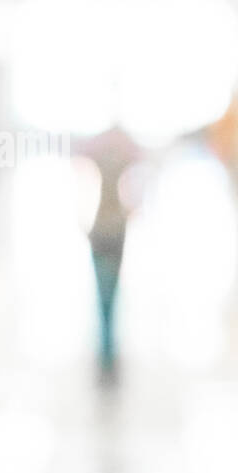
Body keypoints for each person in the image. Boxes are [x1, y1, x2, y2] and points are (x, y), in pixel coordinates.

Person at [77, 124, 141, 381]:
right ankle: (107, 348)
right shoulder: (118, 161)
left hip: (106, 232)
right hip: (109, 232)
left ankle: (107, 348)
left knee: (106, 292)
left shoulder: (104, 162)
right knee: (108, 292)